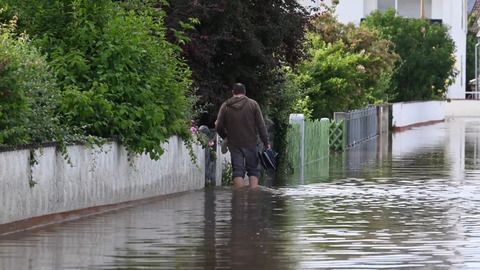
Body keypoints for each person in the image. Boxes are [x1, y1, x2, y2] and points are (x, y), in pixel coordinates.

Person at [216, 83, 270, 188]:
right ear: (244, 92)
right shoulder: (253, 104)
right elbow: (261, 125)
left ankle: (238, 198)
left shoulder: (226, 106)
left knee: (238, 170)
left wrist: (226, 136)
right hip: (251, 142)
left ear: (233, 92)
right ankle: (253, 198)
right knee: (253, 170)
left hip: (234, 143)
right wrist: (266, 142)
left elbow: (218, 126)